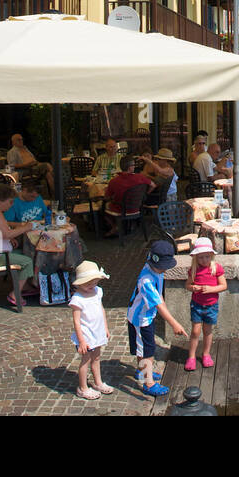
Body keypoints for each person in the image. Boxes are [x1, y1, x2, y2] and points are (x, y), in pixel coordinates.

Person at [127, 239, 185, 397]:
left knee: (143, 347)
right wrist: (174, 324)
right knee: (148, 351)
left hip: (145, 316)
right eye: (164, 266)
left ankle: (143, 372)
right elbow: (158, 304)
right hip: (141, 319)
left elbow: (159, 298)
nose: (165, 269)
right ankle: (148, 383)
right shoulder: (146, 280)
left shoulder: (155, 270)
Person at [69, 261, 114, 400]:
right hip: (86, 335)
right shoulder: (77, 299)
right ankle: (83, 388)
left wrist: (105, 327)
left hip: (97, 331)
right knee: (86, 360)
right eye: (88, 283)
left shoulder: (97, 291)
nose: (92, 286)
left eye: (94, 283)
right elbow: (76, 321)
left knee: (97, 357)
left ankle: (98, 382)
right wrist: (81, 341)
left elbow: (101, 310)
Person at [184, 237, 227, 370]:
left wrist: (211, 289)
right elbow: (187, 285)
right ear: (196, 257)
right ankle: (191, 356)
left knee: (207, 331)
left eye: (207, 257)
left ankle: (206, 354)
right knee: (195, 331)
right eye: (201, 257)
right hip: (196, 305)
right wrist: (193, 287)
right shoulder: (194, 269)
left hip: (211, 305)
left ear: (212, 256)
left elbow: (223, 285)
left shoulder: (216, 268)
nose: (204, 260)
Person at [102, 155, 154, 238]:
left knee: (102, 206)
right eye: (133, 165)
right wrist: (143, 194)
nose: (134, 167)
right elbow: (153, 185)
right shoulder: (140, 177)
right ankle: (124, 225)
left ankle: (115, 226)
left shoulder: (114, 181)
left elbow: (106, 197)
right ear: (130, 167)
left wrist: (106, 191)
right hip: (137, 208)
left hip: (120, 209)